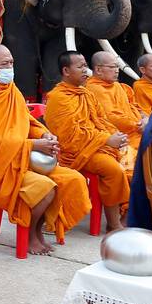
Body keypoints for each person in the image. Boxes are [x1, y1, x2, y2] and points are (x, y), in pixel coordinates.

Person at [0, 45, 91, 255]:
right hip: (1, 166)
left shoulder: (11, 90)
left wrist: (44, 134)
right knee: (45, 187)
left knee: (72, 179)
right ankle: (30, 234)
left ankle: (38, 229)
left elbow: (26, 120)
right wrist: (32, 145)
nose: (10, 67)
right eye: (4, 64)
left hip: (25, 159)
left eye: (11, 63)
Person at [45, 51, 129, 231]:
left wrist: (115, 135)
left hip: (96, 146)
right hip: (74, 153)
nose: (86, 70)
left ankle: (127, 213)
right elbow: (69, 137)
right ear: (66, 71)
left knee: (134, 161)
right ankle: (113, 225)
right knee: (114, 171)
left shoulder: (86, 93)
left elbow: (101, 119)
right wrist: (107, 139)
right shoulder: (58, 98)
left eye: (85, 65)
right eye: (80, 66)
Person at [85, 49, 146, 175]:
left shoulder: (118, 86)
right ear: (98, 70)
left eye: (118, 66)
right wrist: (139, 125)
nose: (117, 70)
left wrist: (146, 119)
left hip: (138, 131)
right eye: (113, 67)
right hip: (122, 137)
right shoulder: (94, 89)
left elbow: (135, 107)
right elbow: (111, 118)